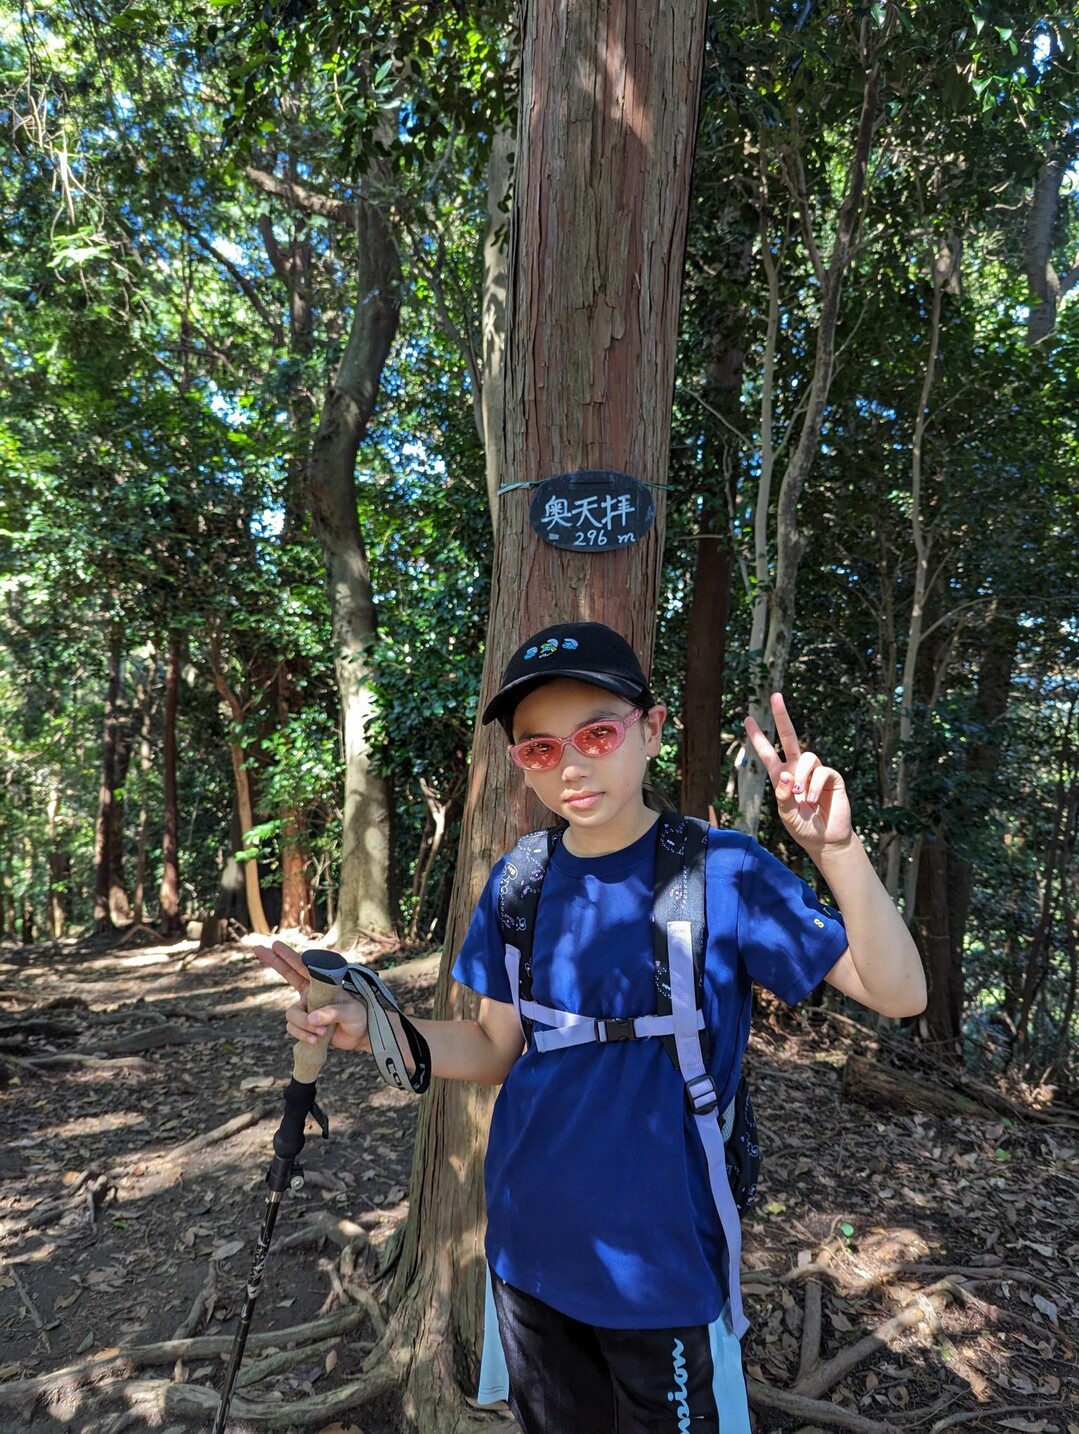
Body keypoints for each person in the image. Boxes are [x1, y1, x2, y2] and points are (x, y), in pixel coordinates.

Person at [255, 621, 926, 1434]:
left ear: (650, 729)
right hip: (528, 1253)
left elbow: (897, 994)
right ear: (520, 764)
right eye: (539, 748)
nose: (570, 763)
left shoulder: (724, 872)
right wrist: (377, 1027)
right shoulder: (520, 883)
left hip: (663, 1265)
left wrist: (838, 849)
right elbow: (496, 1047)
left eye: (597, 733)